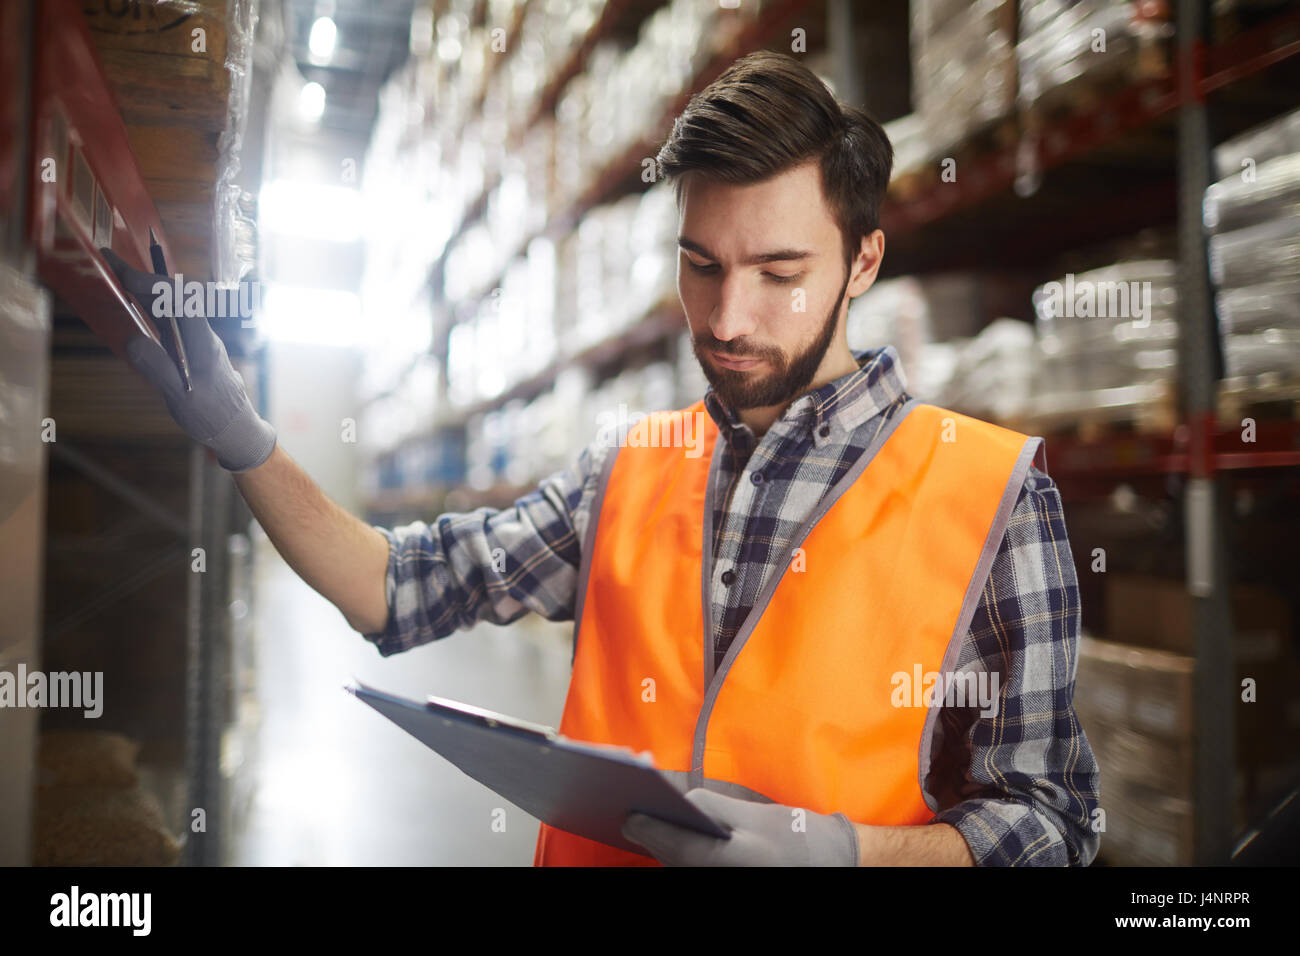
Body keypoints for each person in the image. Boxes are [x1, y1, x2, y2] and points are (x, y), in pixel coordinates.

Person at [104, 50, 1100, 867]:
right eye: (699, 265)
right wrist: (249, 446)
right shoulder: (630, 469)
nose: (726, 315)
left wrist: (844, 852)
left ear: (864, 261)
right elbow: (397, 588)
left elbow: (1047, 823)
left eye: (778, 273)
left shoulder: (991, 493)